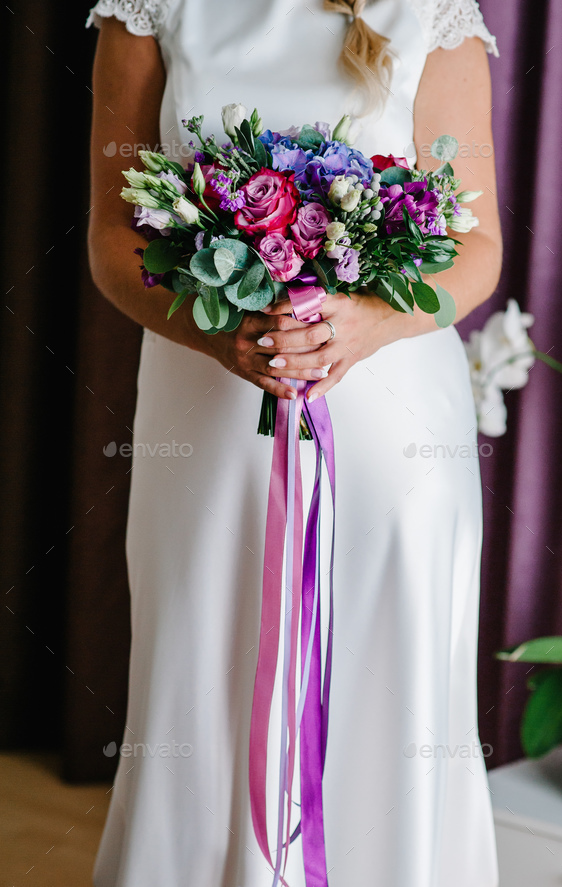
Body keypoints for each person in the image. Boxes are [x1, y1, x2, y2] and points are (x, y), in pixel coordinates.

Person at [86, 1, 503, 885]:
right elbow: (112, 239)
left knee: (389, 689)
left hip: (392, 420)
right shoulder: (151, 8)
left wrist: (369, 321)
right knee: (201, 670)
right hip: (204, 414)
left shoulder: (434, 13)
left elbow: (478, 248)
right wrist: (218, 337)